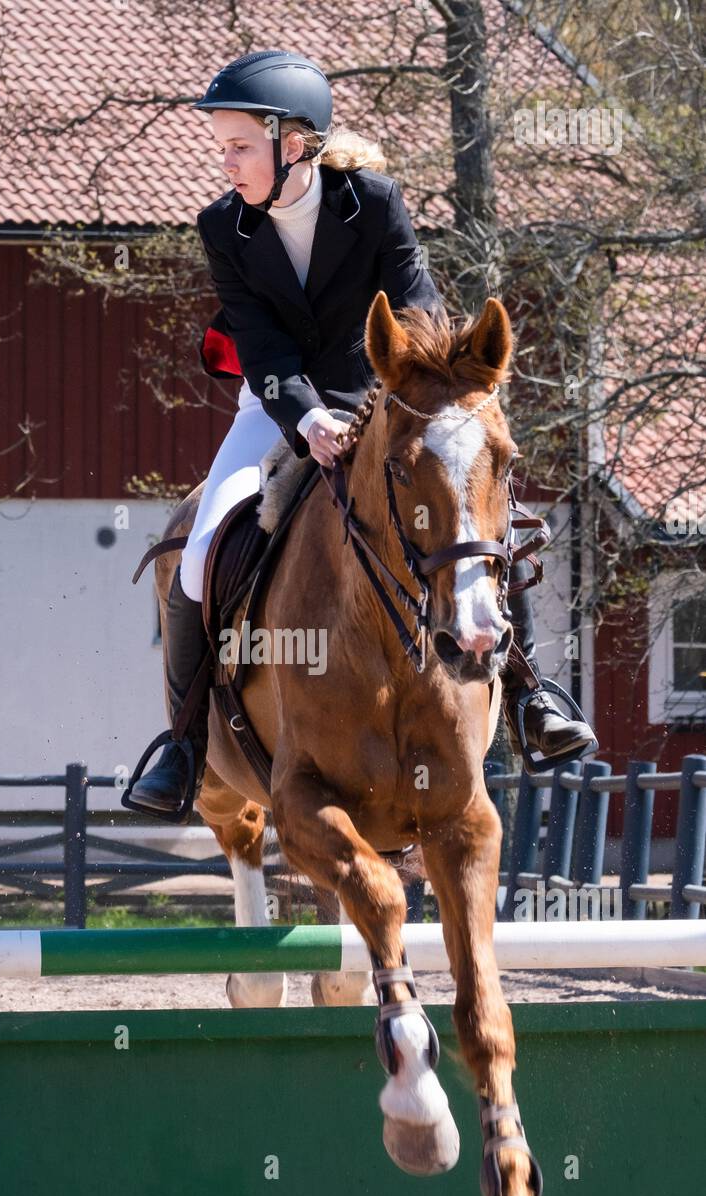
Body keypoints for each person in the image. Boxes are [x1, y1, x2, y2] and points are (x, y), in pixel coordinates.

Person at [126, 49, 596, 816]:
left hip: (386, 395)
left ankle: (531, 696)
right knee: (201, 548)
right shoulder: (223, 227)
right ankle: (182, 745)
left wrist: (400, 400)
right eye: (224, 147)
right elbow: (263, 345)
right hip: (278, 405)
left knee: (472, 516)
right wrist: (307, 416)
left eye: (240, 145)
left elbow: (416, 307)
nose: (227, 163)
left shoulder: (372, 203)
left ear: (295, 144)